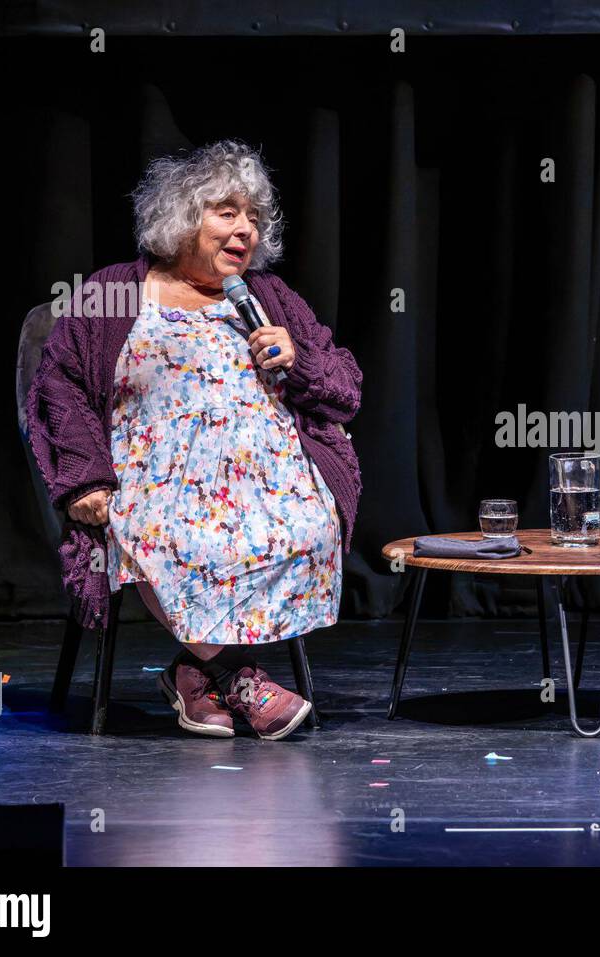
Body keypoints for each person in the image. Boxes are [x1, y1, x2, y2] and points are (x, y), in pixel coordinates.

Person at [27, 140, 363, 741]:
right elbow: (59, 386)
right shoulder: (114, 295)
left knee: (312, 523)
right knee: (163, 531)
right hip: (157, 475)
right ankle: (240, 680)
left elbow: (345, 386)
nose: (246, 230)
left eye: (254, 217)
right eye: (227, 213)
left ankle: (192, 673)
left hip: (271, 475)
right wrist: (83, 477)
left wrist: (300, 360)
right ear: (183, 218)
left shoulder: (269, 299)